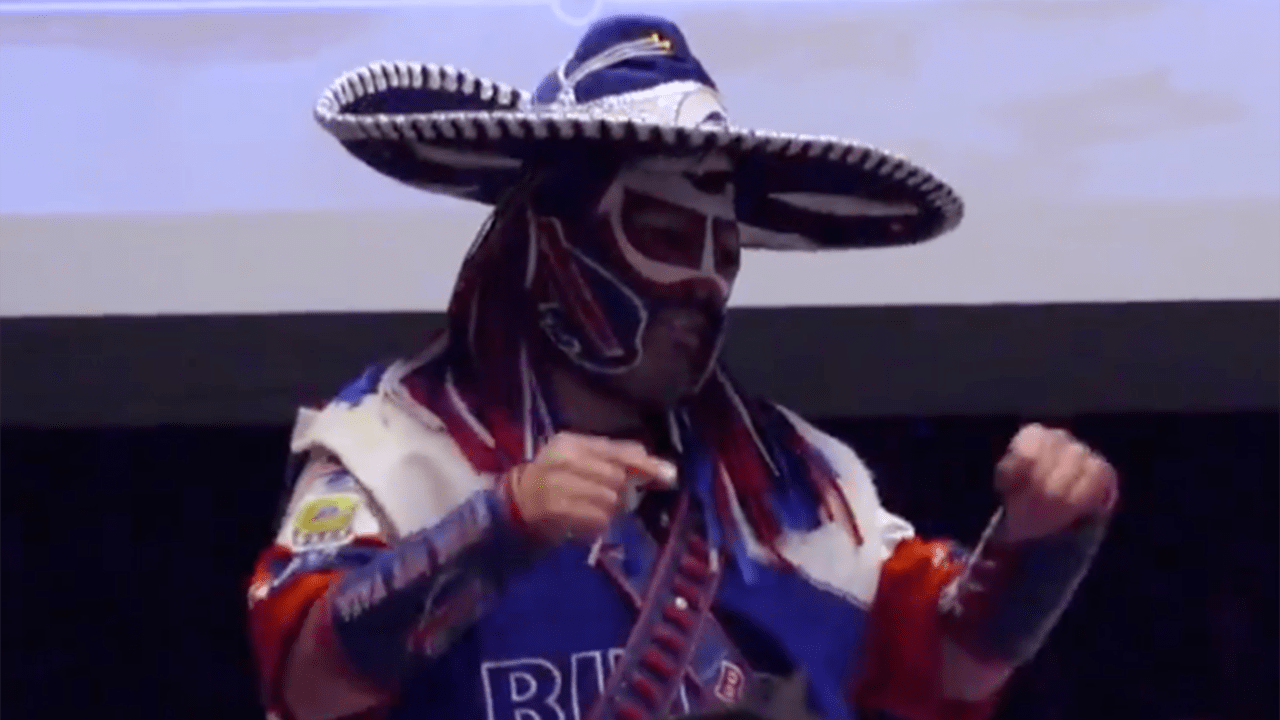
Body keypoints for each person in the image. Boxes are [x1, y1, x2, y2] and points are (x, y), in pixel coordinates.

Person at [247, 15, 1119, 720]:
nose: (703, 281)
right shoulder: (400, 449)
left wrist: (1044, 539)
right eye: (664, 236)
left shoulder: (791, 481)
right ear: (554, 242)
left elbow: (948, 669)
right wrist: (502, 525)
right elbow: (308, 682)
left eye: (722, 248)